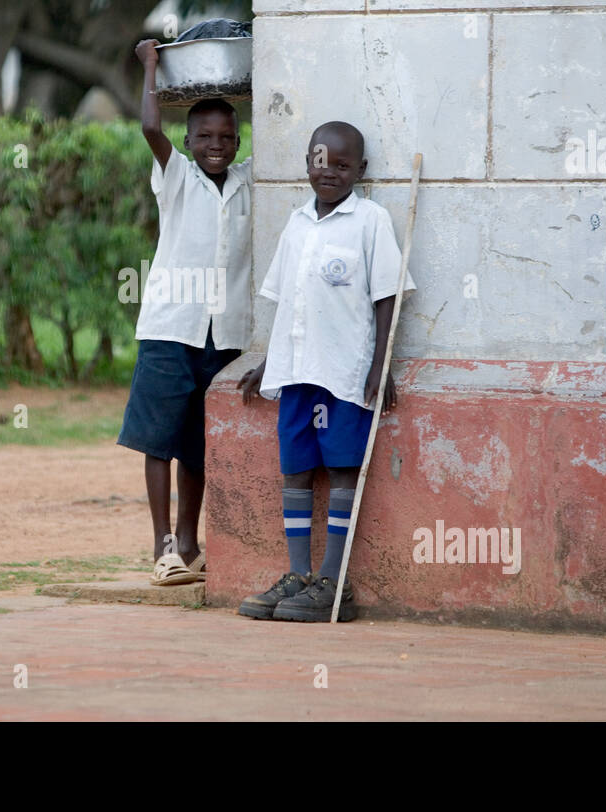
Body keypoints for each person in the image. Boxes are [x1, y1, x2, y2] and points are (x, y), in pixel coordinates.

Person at [236, 121, 415, 621]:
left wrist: (381, 366)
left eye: (342, 165)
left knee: (340, 466)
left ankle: (333, 585)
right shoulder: (296, 223)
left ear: (361, 169)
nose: (329, 172)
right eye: (321, 162)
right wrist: (269, 361)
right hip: (296, 369)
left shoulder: (370, 221)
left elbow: (386, 297)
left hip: (344, 371)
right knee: (295, 467)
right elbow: (290, 300)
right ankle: (298, 576)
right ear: (306, 164)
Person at [118, 39, 253, 586]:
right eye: (204, 137)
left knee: (199, 444)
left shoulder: (249, 182)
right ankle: (163, 547)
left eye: (226, 136)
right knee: (160, 438)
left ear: (238, 139)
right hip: (170, 328)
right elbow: (151, 128)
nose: (216, 145)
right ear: (187, 141)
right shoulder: (175, 177)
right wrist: (151, 65)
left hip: (226, 335)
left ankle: (193, 546)